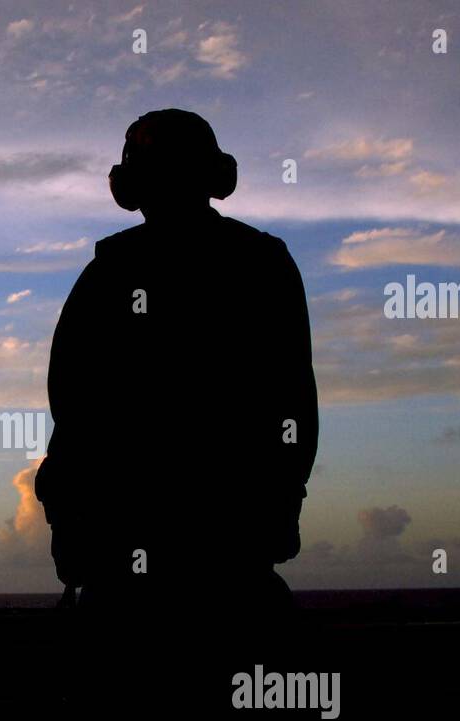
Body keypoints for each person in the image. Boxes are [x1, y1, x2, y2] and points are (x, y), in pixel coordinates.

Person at [35, 109, 318, 612]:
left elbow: (74, 409)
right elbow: (292, 400)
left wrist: (68, 514)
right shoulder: (262, 261)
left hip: (140, 542)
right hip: (227, 541)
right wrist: (282, 497)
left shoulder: (112, 271)